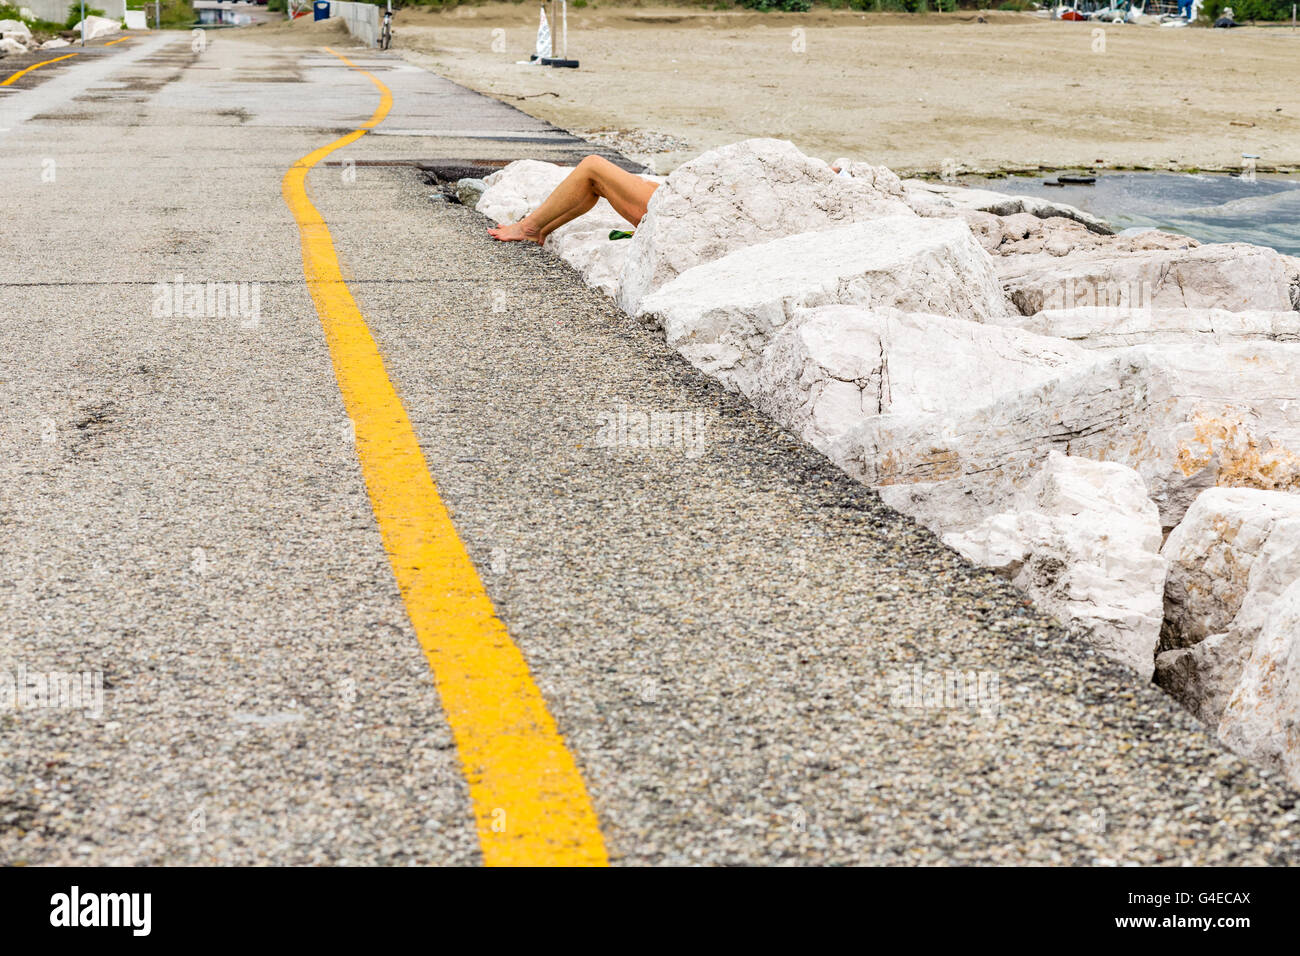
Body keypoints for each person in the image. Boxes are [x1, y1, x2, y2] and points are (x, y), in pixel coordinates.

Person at [488, 155, 660, 245]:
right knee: (598, 182)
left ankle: (527, 228)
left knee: (593, 165)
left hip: (672, 218)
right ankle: (537, 230)